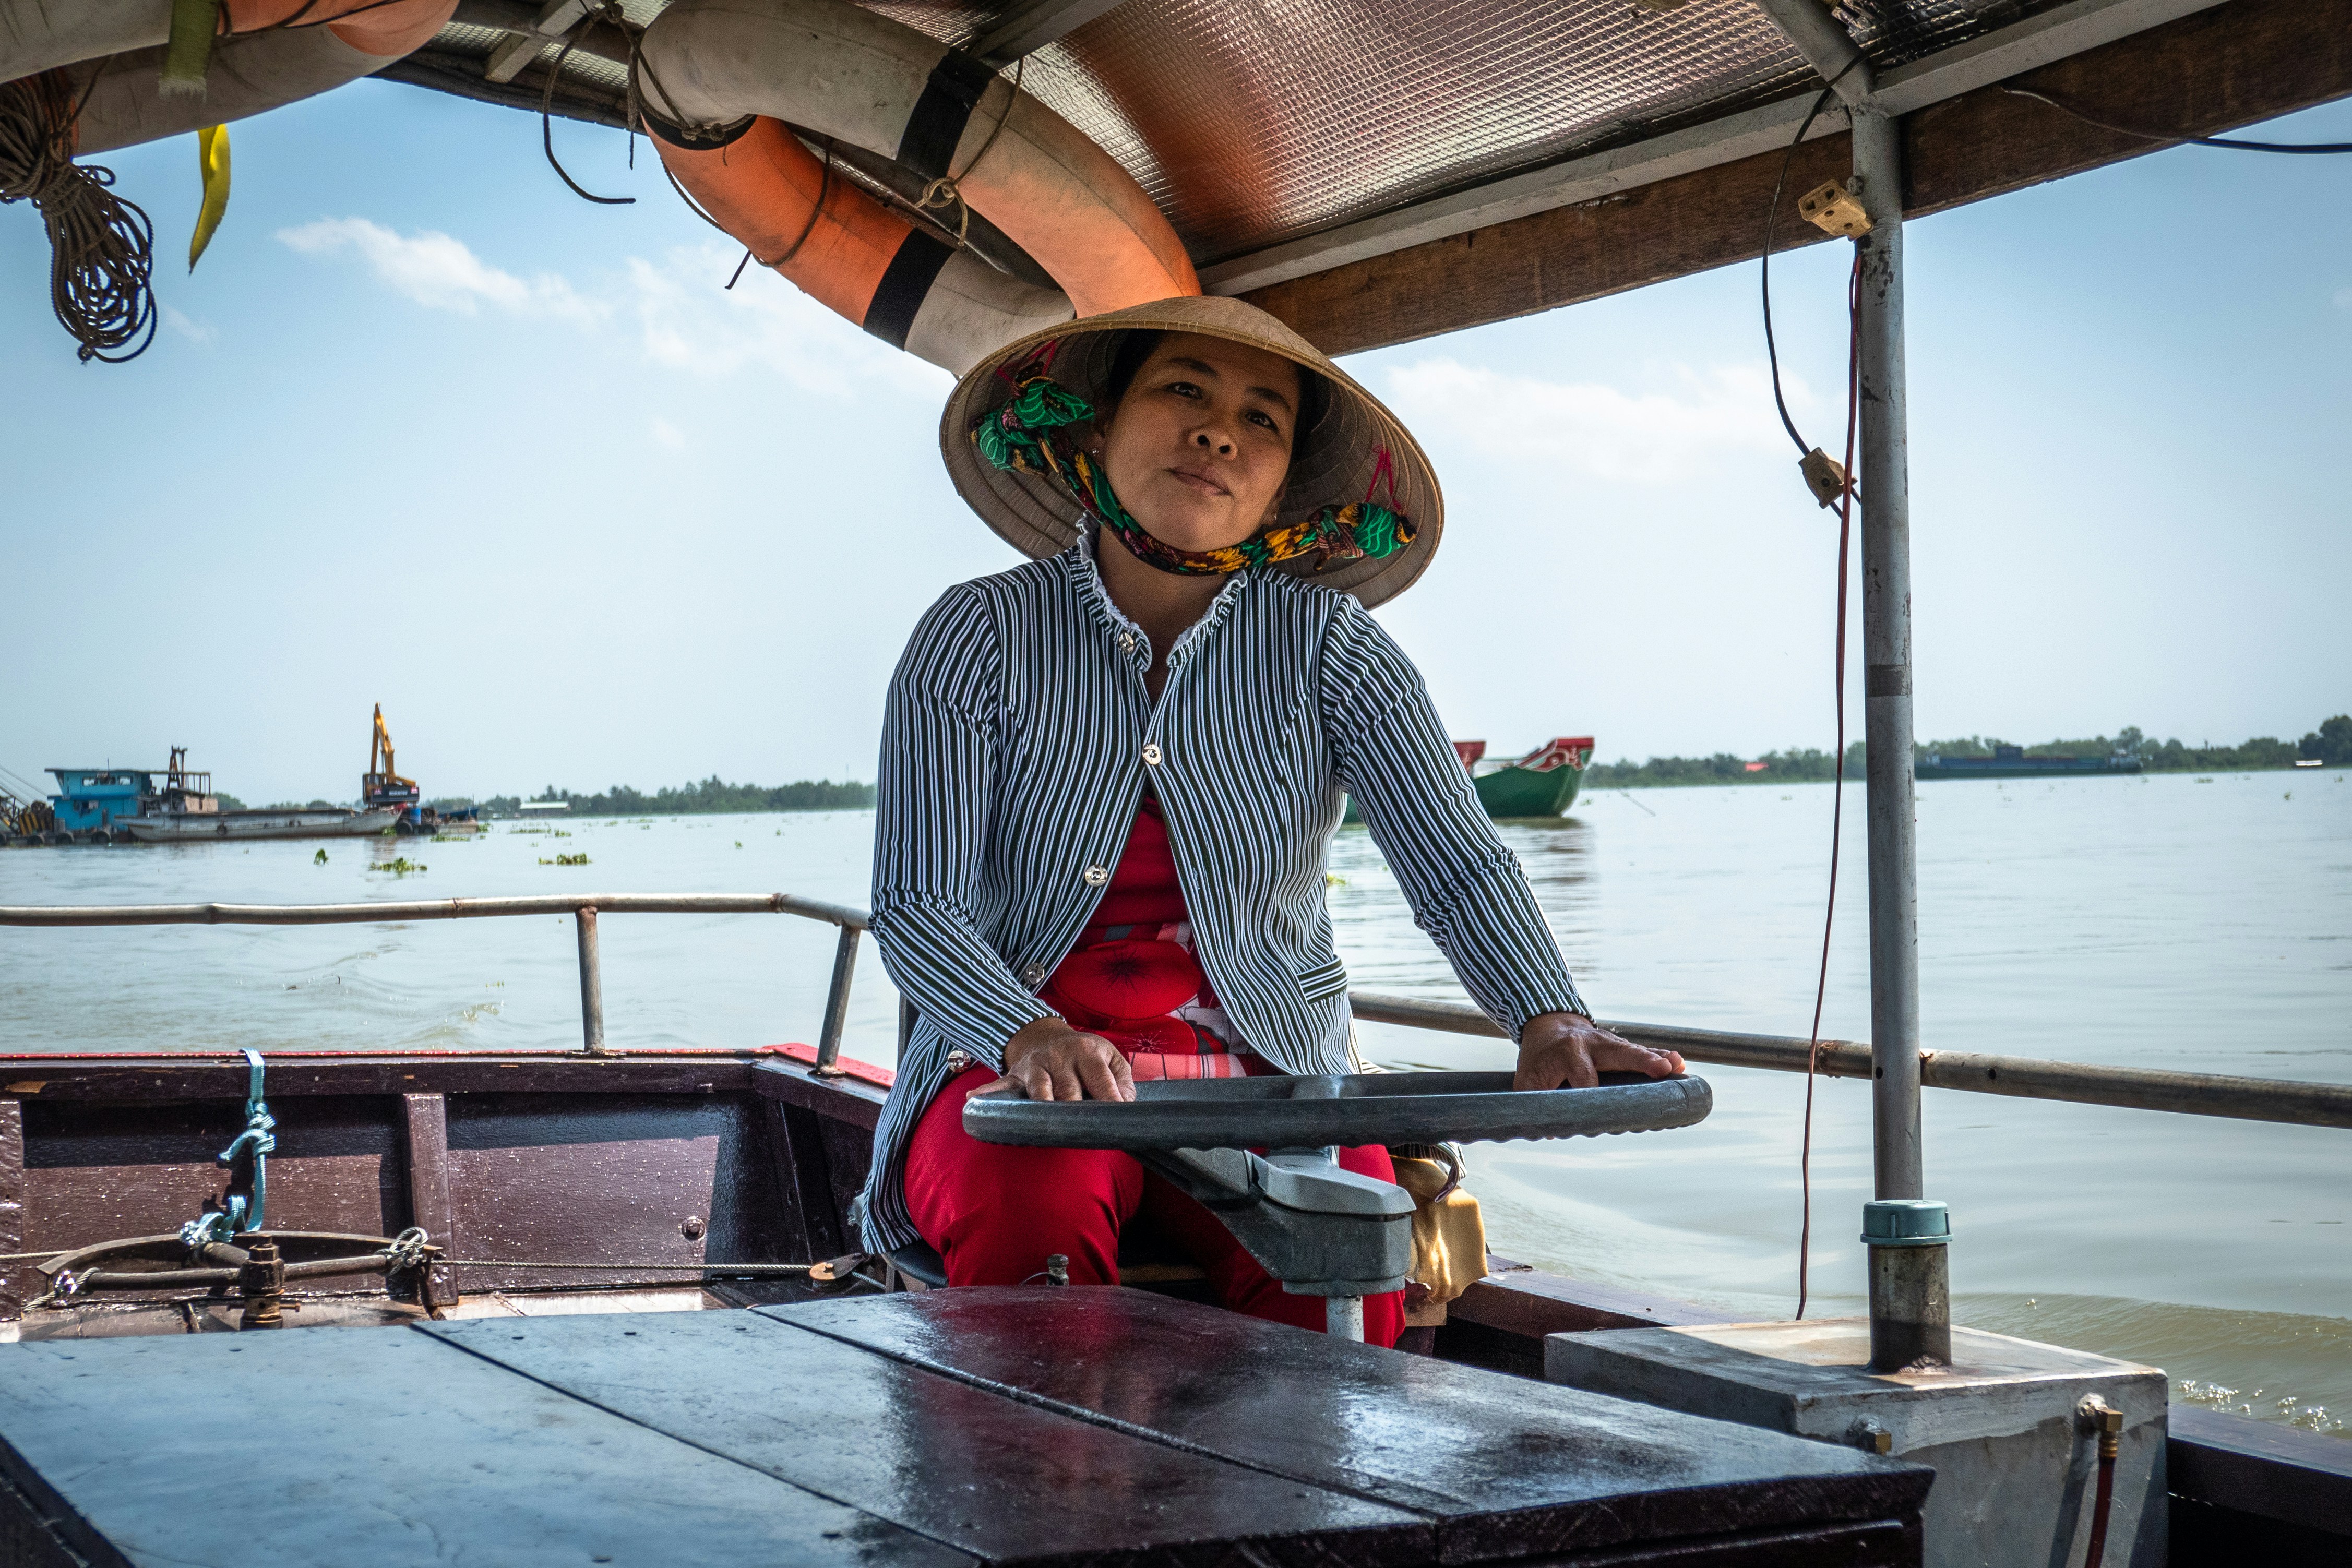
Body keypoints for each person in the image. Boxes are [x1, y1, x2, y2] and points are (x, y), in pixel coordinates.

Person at [856, 295, 1682, 1348]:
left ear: (1281, 487)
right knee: (1037, 1217)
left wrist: (1547, 1014)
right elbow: (917, 907)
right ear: (1098, 429)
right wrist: (1028, 1035)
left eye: (1261, 421)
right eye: (1184, 391)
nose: (1217, 434)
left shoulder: (1335, 649)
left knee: (1347, 1252)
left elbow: (1458, 865)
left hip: (1275, 1082)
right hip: (1014, 1078)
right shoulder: (975, 635)